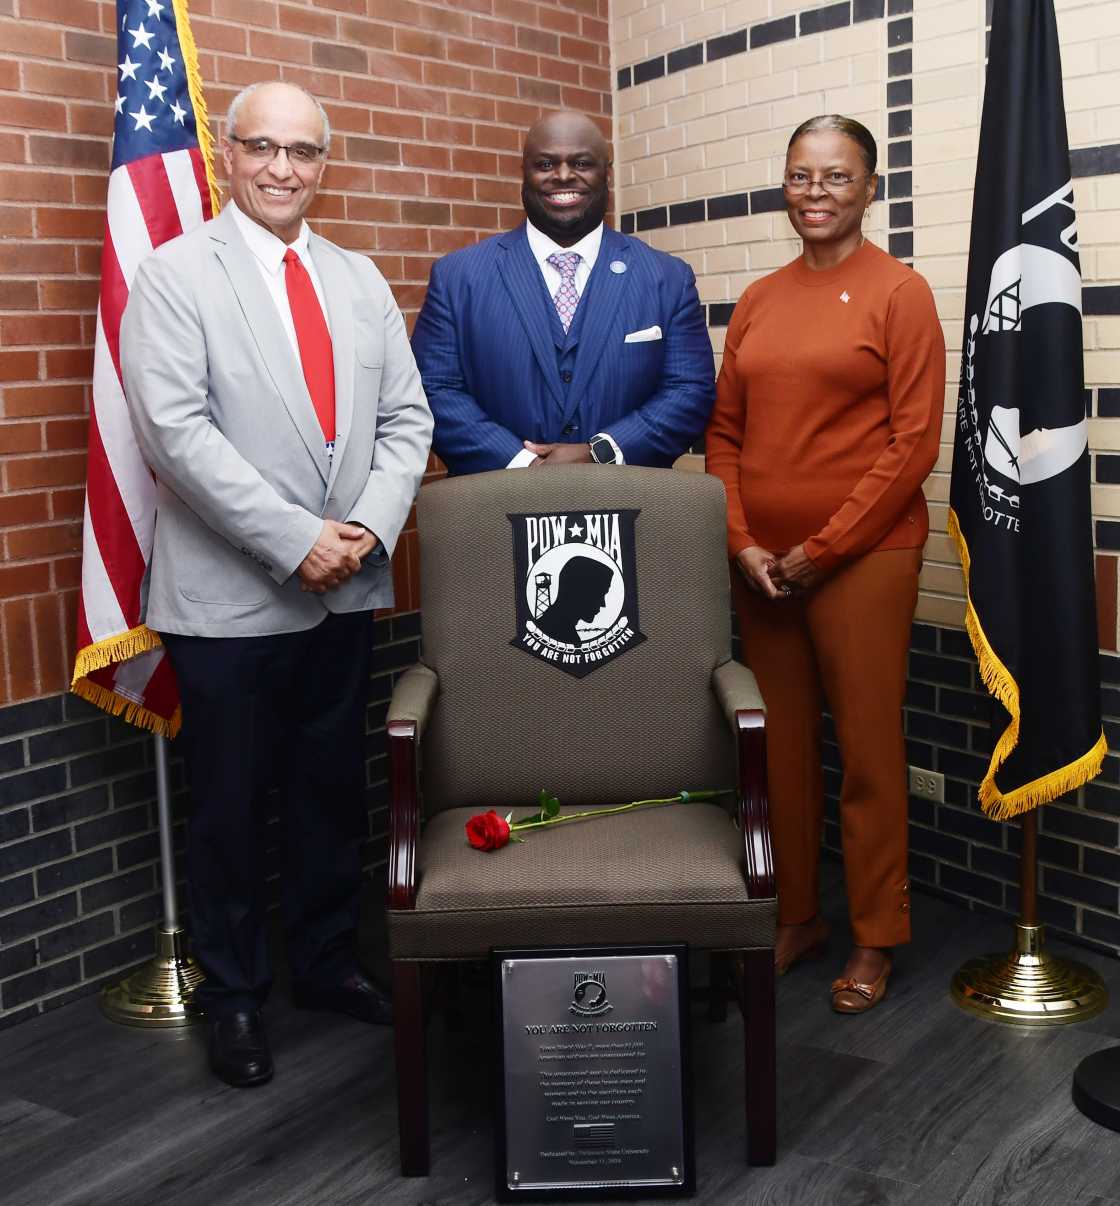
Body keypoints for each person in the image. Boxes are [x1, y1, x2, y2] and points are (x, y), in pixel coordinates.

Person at [120, 81, 433, 1085]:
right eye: (264, 147)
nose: (283, 169)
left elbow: (406, 421)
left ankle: (327, 964)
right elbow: (176, 435)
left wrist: (368, 530)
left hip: (344, 589)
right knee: (226, 807)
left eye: (304, 152)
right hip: (228, 600)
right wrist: (295, 539)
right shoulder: (174, 276)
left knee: (328, 790)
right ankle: (236, 996)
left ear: (323, 163)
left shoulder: (357, 278)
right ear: (227, 149)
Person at [705, 115, 945, 1014]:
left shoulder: (899, 292)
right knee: (781, 751)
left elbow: (914, 444)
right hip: (763, 568)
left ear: (870, 189)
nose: (815, 193)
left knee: (870, 752)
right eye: (801, 177)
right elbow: (724, 435)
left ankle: (876, 935)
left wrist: (820, 551)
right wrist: (745, 544)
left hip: (863, 559)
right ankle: (796, 915)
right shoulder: (760, 298)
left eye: (836, 178)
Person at [411, 110, 715, 474]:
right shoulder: (458, 277)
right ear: (524, 174)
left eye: (582, 163)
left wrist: (599, 452)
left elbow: (689, 391)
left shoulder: (667, 278)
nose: (564, 175)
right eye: (545, 163)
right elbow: (435, 390)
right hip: (499, 506)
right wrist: (522, 462)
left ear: (607, 174)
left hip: (629, 507)